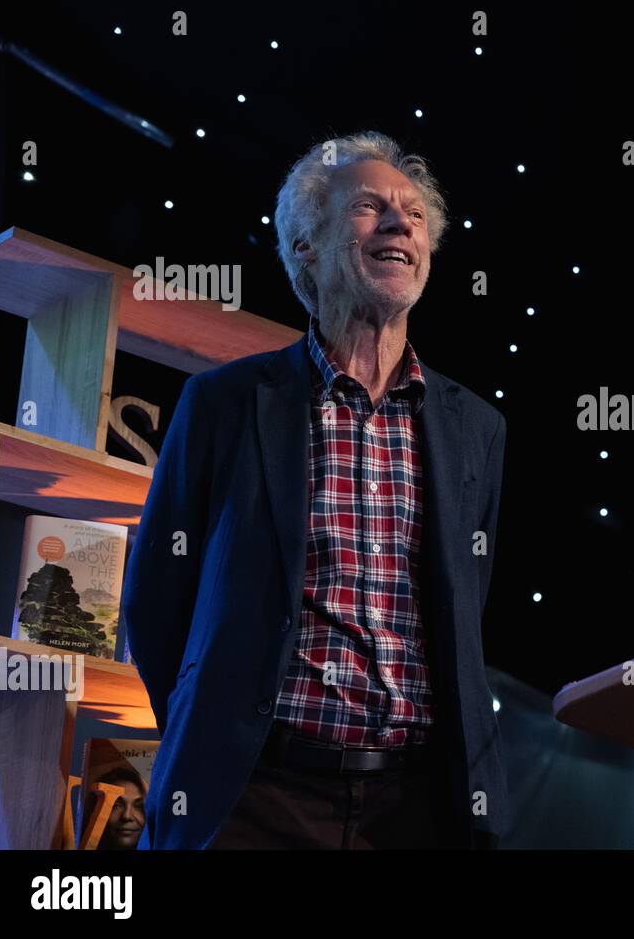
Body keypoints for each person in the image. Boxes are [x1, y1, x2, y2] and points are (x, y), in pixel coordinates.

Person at [121, 131, 508, 849]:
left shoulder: (477, 428)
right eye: (369, 208)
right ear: (306, 245)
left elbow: (465, 607)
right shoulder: (226, 402)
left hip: (416, 808)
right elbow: (154, 603)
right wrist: (213, 731)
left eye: (414, 215)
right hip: (253, 799)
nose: (400, 224)